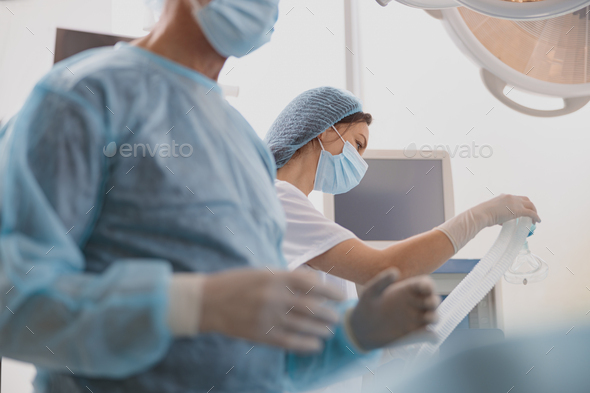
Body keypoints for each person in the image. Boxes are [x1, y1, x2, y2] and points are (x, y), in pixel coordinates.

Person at [0, 1, 440, 392]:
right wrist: (190, 304)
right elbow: (13, 301)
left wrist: (352, 338)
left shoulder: (244, 146)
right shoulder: (83, 98)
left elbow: (260, 367)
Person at [264, 86, 541, 299]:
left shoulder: (286, 205)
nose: (360, 163)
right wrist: (482, 215)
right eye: (358, 145)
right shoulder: (278, 200)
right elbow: (386, 269)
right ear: (325, 130)